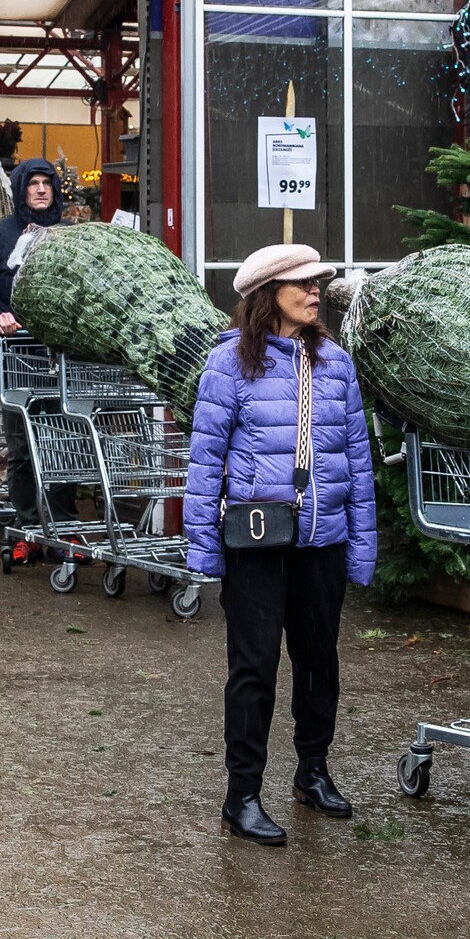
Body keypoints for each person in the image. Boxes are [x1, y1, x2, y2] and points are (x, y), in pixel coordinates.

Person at [183, 244, 377, 848]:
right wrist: (203, 553)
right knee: (254, 669)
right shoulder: (227, 366)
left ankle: (312, 773)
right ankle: (241, 794)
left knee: (320, 662)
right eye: (301, 283)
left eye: (318, 282)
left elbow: (358, 461)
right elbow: (204, 463)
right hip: (257, 543)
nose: (315, 291)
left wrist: (361, 547)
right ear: (268, 294)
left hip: (322, 540)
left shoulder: (338, 364)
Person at [0, 159, 66, 532]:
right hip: (16, 359)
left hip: (63, 360)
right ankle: (29, 524)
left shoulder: (70, 237)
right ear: (20, 190)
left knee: (65, 443)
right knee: (22, 448)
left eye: (46, 183)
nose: (40, 189)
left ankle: (64, 523)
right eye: (32, 183)